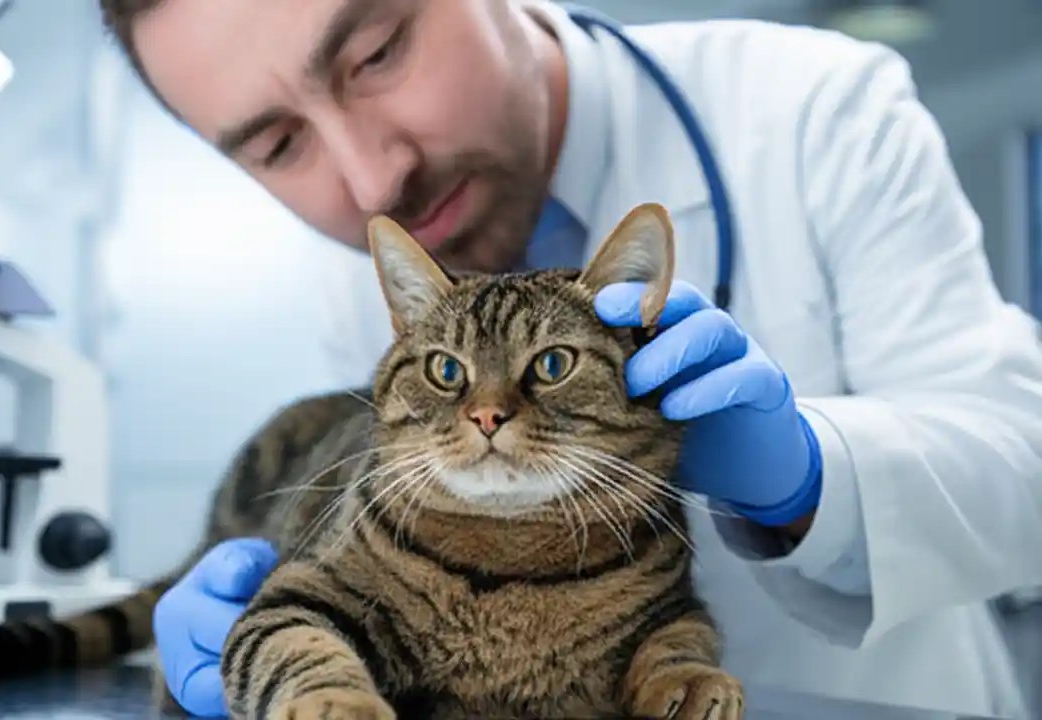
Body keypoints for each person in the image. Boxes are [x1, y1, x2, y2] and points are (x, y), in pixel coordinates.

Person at [99, 0, 1042, 716]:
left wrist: (806, 476)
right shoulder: (355, 271)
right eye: (277, 143)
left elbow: (1024, 452)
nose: (371, 176)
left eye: (377, 54)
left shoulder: (814, 106)